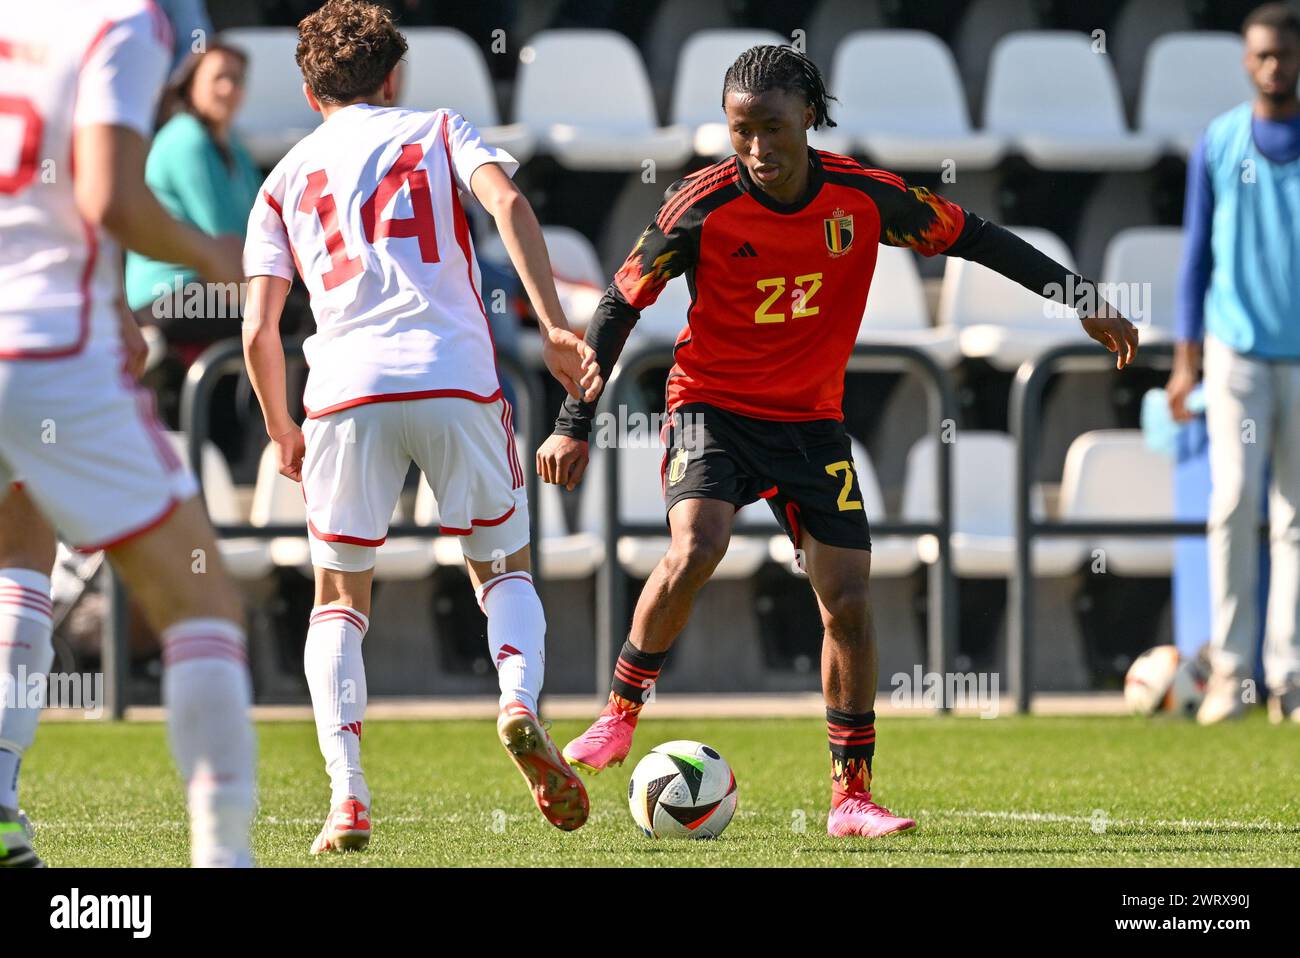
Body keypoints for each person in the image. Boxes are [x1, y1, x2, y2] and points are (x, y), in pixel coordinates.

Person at [538, 44, 1139, 838]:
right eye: (740, 131)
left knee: (850, 602)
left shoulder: (865, 197)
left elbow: (978, 236)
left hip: (811, 422)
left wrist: (1081, 297)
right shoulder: (699, 206)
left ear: (810, 120)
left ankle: (850, 796)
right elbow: (618, 305)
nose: (757, 149)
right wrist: (574, 422)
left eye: (774, 129)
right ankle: (620, 710)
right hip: (710, 407)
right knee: (698, 544)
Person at [240, 0, 601, 853]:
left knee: (338, 600)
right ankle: (517, 702)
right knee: (502, 570)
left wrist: (280, 426)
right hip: (456, 378)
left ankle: (348, 797)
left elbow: (257, 329)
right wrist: (550, 323)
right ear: (393, 76)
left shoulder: (284, 176)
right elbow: (508, 202)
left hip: (343, 394)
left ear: (307, 88)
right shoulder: (438, 129)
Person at [0, 0, 257, 867]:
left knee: (15, 560)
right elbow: (107, 194)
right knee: (203, 605)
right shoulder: (126, 19)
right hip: (48, 353)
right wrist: (207, 253)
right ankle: (224, 859)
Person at [1166, 2, 1300, 726]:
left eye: (1284, 53)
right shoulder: (1218, 142)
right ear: (1247, 62)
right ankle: (1233, 674)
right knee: (1231, 505)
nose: (1274, 66)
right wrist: (1186, 363)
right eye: (1262, 55)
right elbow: (1196, 261)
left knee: (1297, 519)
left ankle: (1291, 677)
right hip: (1236, 351)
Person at [124, 40, 261, 447]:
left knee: (289, 311)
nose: (230, 88)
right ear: (190, 85)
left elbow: (259, 229)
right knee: (294, 317)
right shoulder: (186, 139)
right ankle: (286, 437)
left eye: (237, 80)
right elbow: (225, 238)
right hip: (170, 296)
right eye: (219, 77)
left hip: (216, 286)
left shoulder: (233, 145)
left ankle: (246, 441)